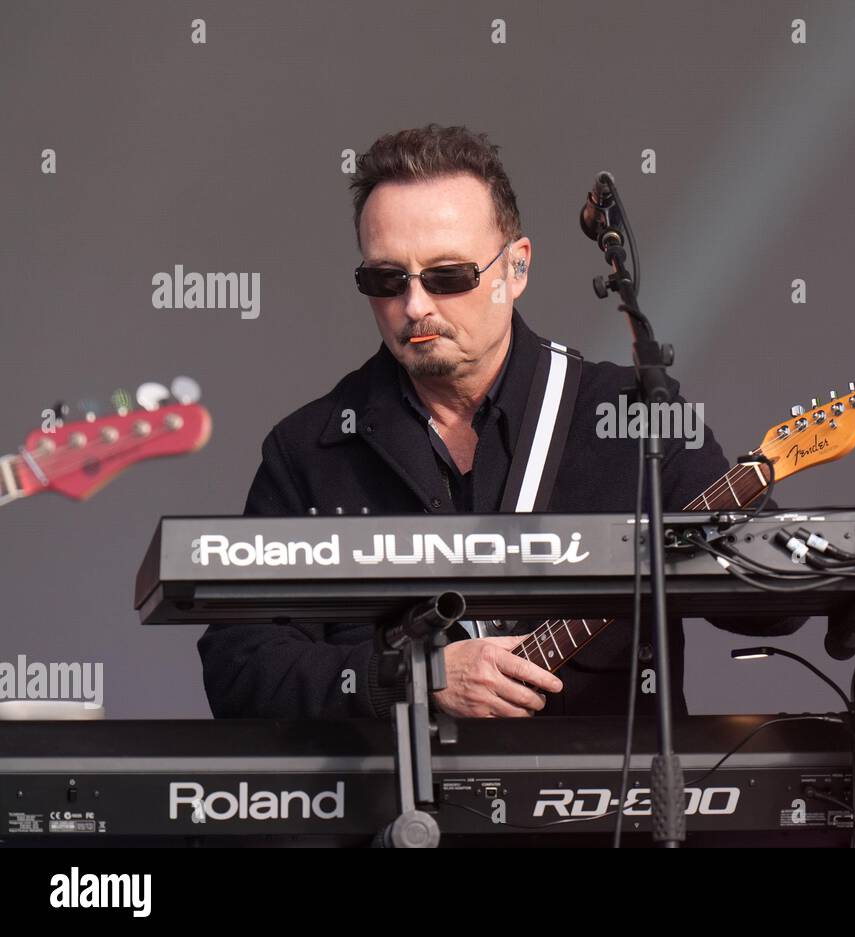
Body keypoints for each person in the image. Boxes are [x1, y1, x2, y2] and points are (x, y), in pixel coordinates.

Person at [198, 124, 800, 720]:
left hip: (610, 815)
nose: (416, 306)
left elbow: (772, 609)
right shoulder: (309, 450)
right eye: (386, 280)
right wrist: (413, 680)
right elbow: (240, 668)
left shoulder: (632, 416)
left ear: (516, 269)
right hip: (396, 814)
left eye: (448, 276)